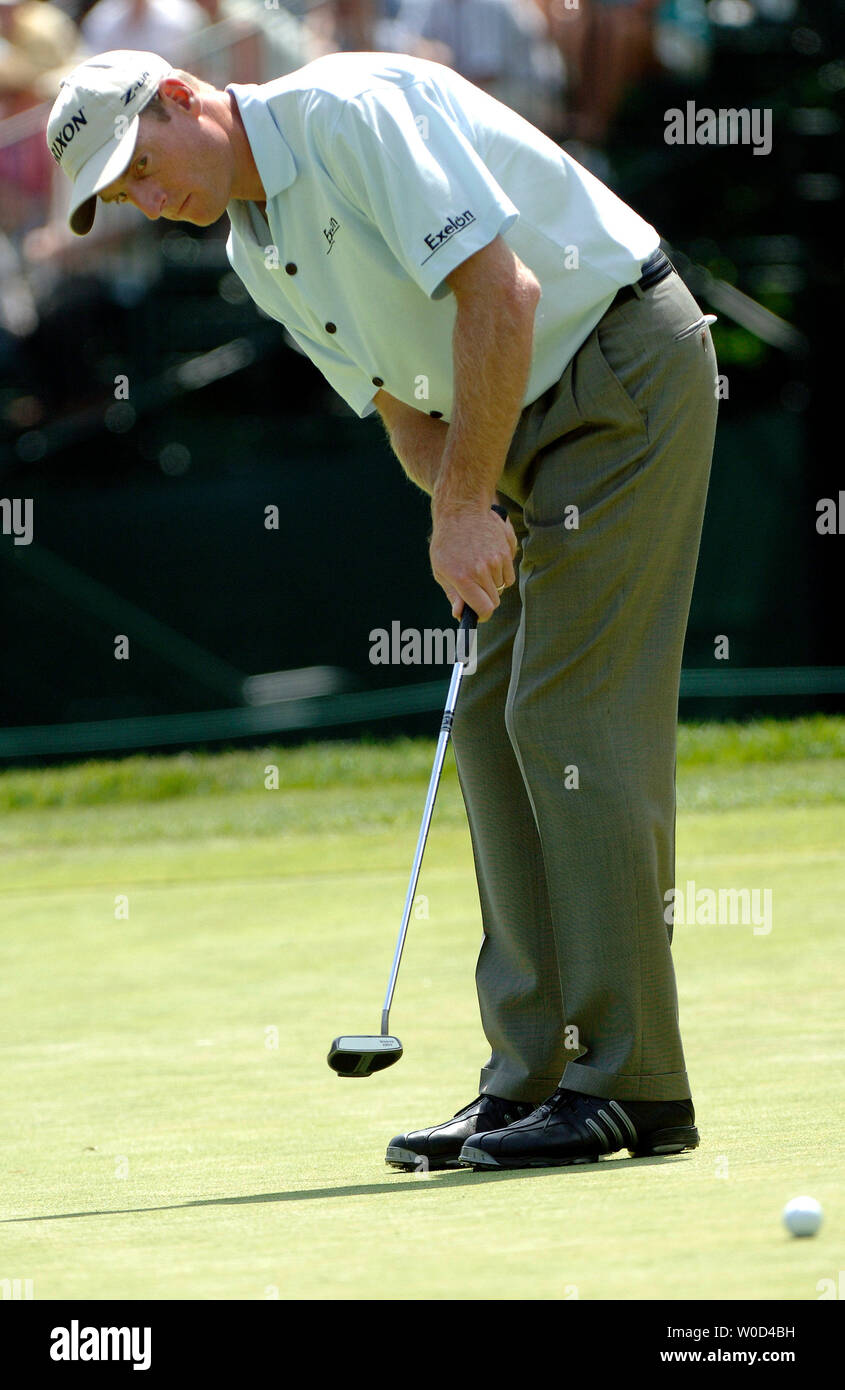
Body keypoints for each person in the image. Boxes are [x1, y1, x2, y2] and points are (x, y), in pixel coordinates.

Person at [46, 47, 718, 1171]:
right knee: (492, 727)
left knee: (562, 723)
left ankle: (634, 1085)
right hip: (512, 424)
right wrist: (462, 502)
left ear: (179, 96)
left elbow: (501, 291)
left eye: (143, 165)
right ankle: (531, 1076)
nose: (148, 199)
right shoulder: (257, 255)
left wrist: (463, 502)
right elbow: (403, 412)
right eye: (125, 196)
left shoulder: (347, 115)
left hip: (619, 367)